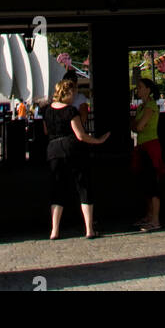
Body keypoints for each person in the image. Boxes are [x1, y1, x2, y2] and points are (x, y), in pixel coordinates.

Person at [43, 78, 109, 239]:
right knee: (83, 186)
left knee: (57, 189)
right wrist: (98, 141)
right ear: (68, 93)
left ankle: (54, 230)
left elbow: (46, 132)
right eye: (73, 93)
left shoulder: (47, 111)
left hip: (53, 150)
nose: (74, 96)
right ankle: (89, 229)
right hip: (72, 149)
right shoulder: (71, 111)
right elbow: (80, 135)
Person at [131, 78, 163, 232]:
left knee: (153, 184)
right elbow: (136, 126)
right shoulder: (141, 107)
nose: (138, 90)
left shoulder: (150, 106)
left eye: (140, 87)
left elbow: (139, 126)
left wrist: (136, 126)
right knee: (145, 183)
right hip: (142, 146)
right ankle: (149, 215)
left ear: (148, 89)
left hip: (150, 146)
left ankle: (155, 219)